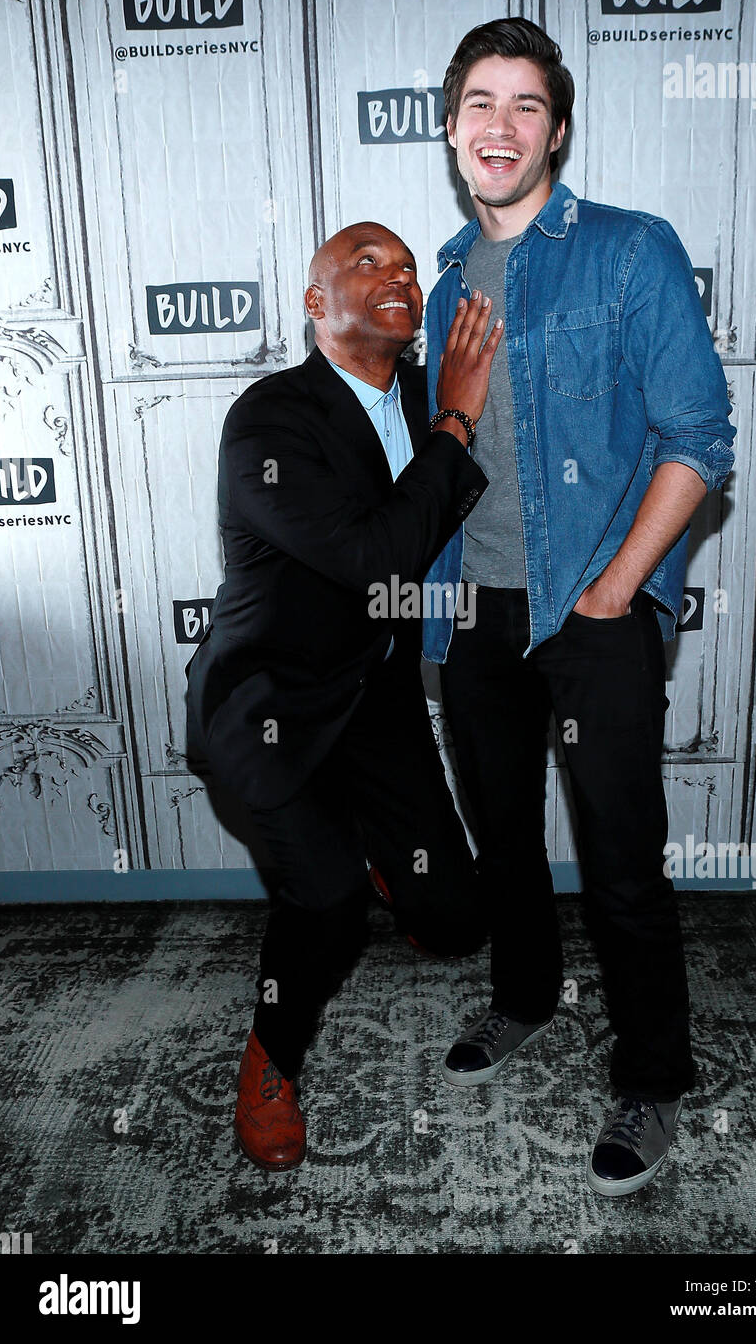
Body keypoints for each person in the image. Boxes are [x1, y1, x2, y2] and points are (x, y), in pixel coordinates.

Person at [421, 18, 736, 1196]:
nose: (499, 128)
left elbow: (697, 439)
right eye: (479, 105)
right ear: (449, 128)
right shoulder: (440, 278)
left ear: (555, 129)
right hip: (475, 610)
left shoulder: (625, 250)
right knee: (502, 837)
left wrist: (613, 592)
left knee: (618, 859)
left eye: (524, 107)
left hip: (591, 610)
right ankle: (524, 997)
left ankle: (651, 1075)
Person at [184, 221, 502, 1171]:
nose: (395, 274)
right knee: (322, 905)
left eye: (406, 265)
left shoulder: (417, 385)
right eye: (366, 264)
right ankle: (269, 1060)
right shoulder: (269, 421)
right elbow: (374, 558)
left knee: (453, 924)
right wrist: (455, 424)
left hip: (375, 698)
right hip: (270, 704)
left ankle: (385, 864)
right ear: (317, 305)